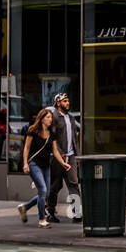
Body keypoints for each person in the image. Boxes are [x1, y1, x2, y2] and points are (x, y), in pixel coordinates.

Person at [17, 107, 67, 228]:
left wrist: (63, 163)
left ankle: (25, 207)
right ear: (42, 119)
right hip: (34, 164)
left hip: (46, 166)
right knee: (43, 190)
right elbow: (26, 148)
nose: (50, 120)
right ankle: (42, 220)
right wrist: (25, 163)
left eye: (51, 118)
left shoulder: (51, 134)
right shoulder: (32, 130)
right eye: (48, 117)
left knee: (45, 194)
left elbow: (55, 151)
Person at [46, 93, 81, 223]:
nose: (68, 103)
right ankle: (50, 211)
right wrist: (58, 152)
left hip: (70, 155)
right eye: (65, 101)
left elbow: (73, 138)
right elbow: (51, 136)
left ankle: (76, 212)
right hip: (57, 156)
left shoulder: (71, 118)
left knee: (73, 183)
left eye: (68, 101)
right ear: (58, 103)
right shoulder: (54, 116)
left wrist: (76, 155)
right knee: (55, 184)